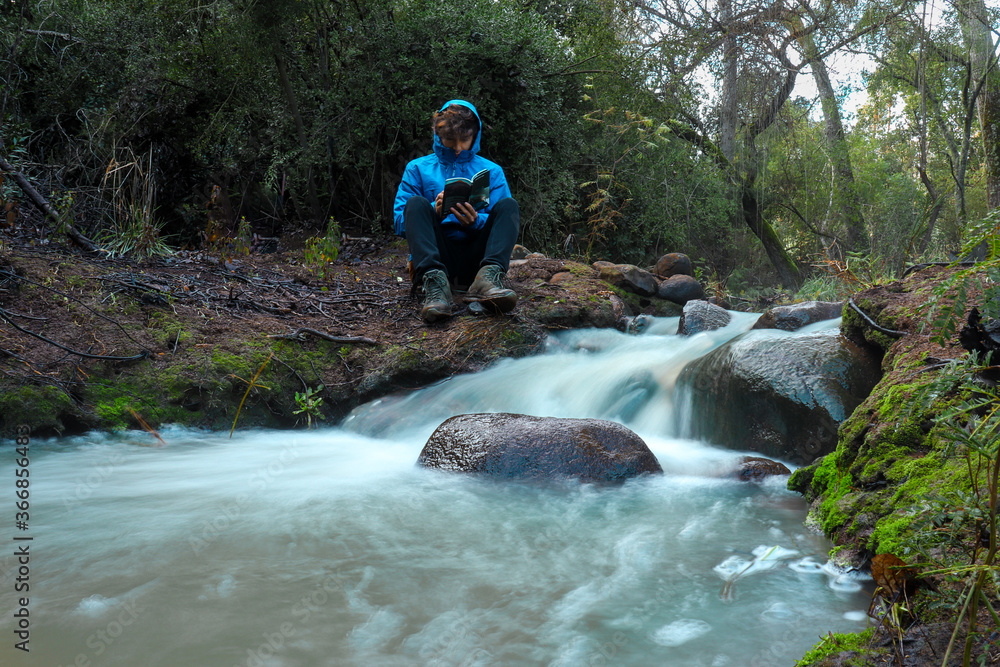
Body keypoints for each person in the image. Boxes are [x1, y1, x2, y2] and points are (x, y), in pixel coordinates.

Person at [393, 99, 520, 323]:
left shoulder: (493, 171)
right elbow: (400, 224)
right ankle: (436, 289)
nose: (458, 148)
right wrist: (434, 210)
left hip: (478, 261)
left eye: (465, 140)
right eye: (450, 140)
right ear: (438, 136)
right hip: (436, 260)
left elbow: (499, 222)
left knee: (509, 206)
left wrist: (475, 222)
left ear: (475, 136)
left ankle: (488, 281)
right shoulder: (417, 169)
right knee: (415, 203)